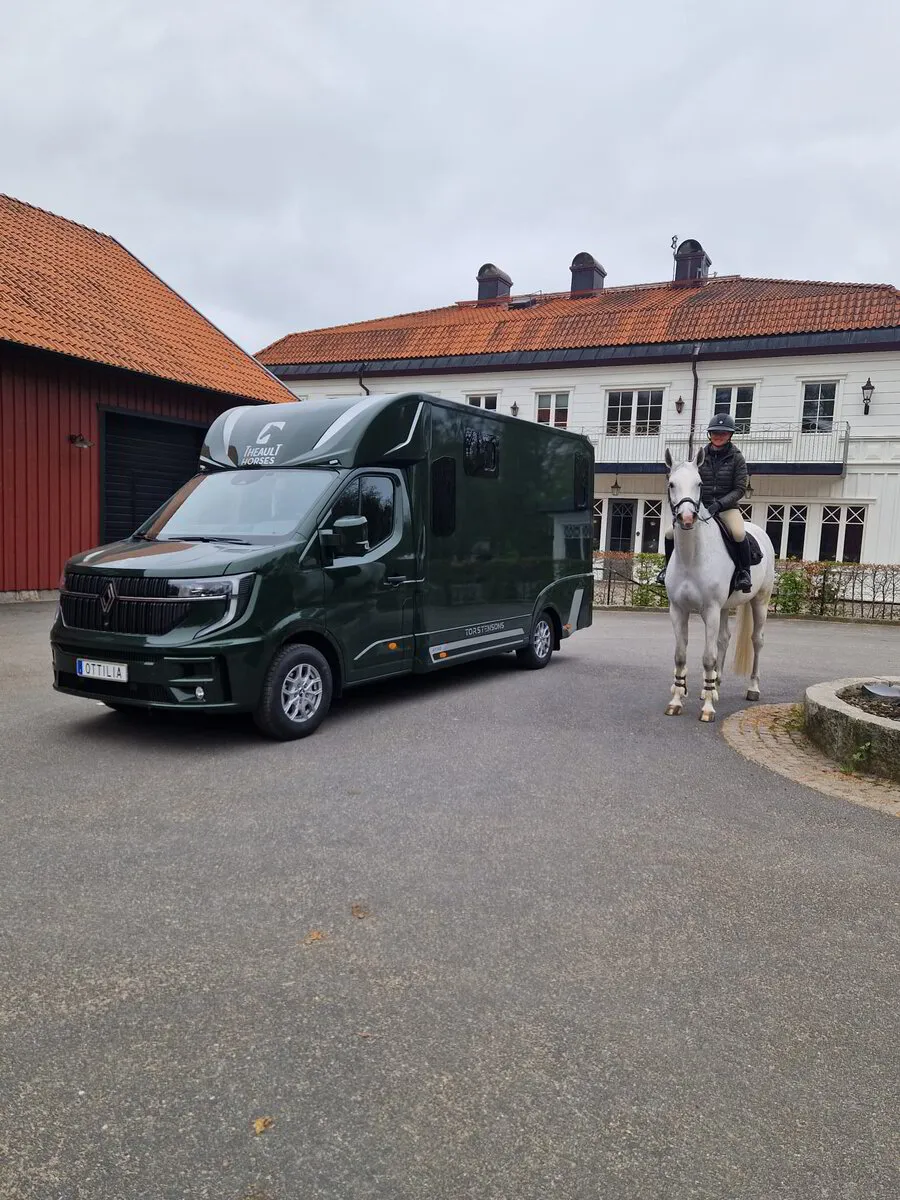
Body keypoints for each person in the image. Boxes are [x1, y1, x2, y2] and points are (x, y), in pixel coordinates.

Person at [657, 412, 752, 591]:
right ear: (710, 434)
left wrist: (720, 504)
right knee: (670, 533)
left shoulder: (737, 458)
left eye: (723, 433)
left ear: (730, 435)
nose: (718, 436)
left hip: (726, 508)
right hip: (702, 508)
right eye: (715, 433)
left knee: (739, 533)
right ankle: (667, 569)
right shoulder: (700, 457)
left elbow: (739, 489)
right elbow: (690, 481)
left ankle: (744, 573)